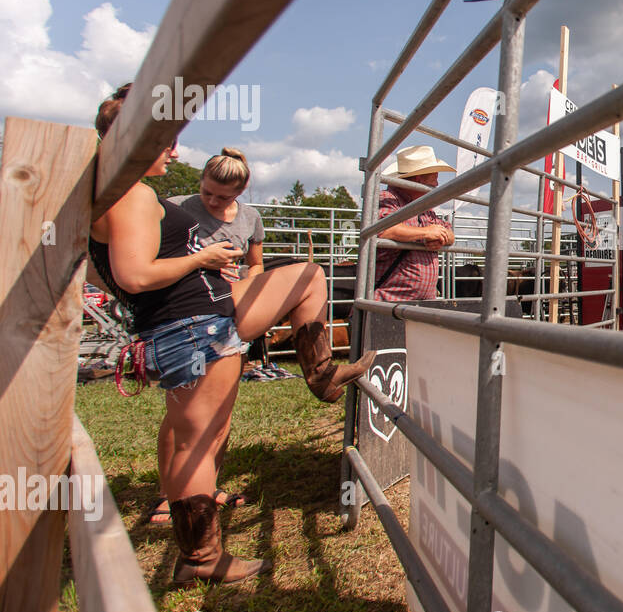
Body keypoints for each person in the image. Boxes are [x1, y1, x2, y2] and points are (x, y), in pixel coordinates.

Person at [86, 84, 375, 584]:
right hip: (194, 325)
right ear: (133, 138)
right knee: (199, 440)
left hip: (192, 315)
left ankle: (323, 374)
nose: (174, 149)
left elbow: (102, 275)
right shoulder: (132, 195)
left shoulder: (106, 194)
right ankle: (200, 560)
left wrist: (197, 270)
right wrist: (202, 259)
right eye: (166, 139)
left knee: (308, 275)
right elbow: (132, 276)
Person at [148, 149, 266, 524]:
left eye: (223, 196)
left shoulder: (250, 219)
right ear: (200, 181)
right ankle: (169, 495)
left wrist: (247, 281)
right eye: (208, 191)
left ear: (241, 192)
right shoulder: (176, 208)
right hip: (187, 316)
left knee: (221, 409)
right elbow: (149, 260)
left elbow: (257, 264)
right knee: (181, 415)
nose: (212, 201)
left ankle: (207, 486)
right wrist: (202, 263)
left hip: (229, 314)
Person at [374, 146, 457, 302]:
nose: (437, 184)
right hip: (389, 303)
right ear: (419, 179)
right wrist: (425, 233)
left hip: (419, 304)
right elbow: (382, 229)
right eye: (434, 177)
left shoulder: (425, 207)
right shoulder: (388, 198)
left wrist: (442, 237)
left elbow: (448, 230)